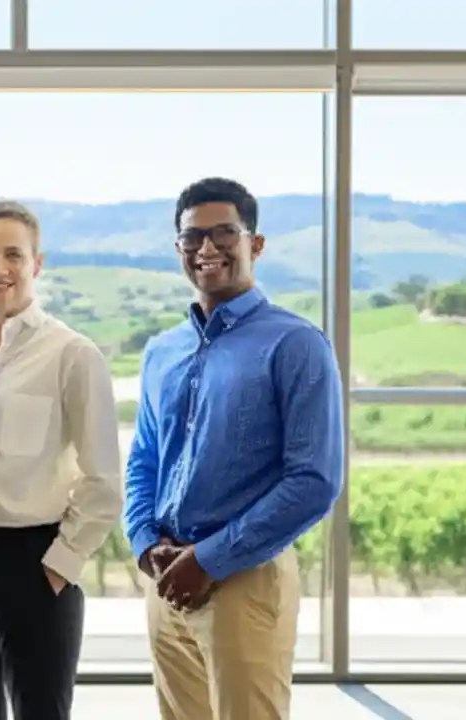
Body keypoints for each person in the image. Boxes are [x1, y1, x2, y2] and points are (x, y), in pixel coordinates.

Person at [123, 177, 344, 720]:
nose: (207, 248)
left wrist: (210, 558)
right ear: (178, 249)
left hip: (244, 579)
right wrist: (145, 541)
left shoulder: (295, 344)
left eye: (224, 233)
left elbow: (314, 481)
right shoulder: (161, 351)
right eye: (192, 237)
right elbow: (145, 458)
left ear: (256, 243)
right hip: (166, 578)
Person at [0, 200, 123, 720]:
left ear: (37, 264)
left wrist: (60, 566)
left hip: (33, 566)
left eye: (13, 254)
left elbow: (104, 478)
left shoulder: (71, 354)